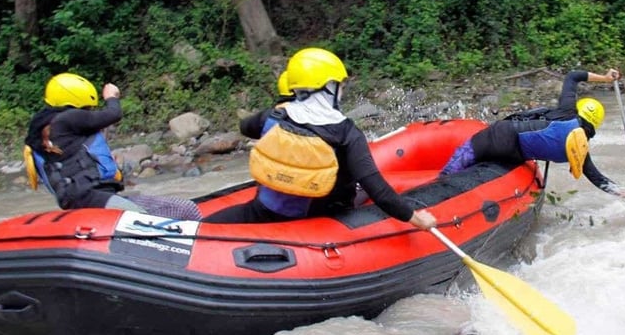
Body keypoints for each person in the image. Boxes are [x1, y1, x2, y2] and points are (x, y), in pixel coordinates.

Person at [203, 47, 438, 230]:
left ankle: (189, 229)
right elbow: (378, 191)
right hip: (317, 217)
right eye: (339, 85)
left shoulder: (274, 116)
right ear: (328, 87)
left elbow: (245, 127)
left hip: (265, 210)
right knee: (361, 188)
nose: (342, 89)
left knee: (213, 225)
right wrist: (416, 218)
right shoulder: (346, 133)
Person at [440, 69, 625, 204]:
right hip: (514, 157)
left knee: (461, 157)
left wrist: (605, 78)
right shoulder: (580, 152)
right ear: (594, 126)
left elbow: (573, 76)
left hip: (499, 136)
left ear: (579, 109)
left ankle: (440, 187)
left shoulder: (567, 111)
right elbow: (599, 180)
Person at [24, 73, 202, 220]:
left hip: (97, 197)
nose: (89, 111)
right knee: (142, 222)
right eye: (87, 108)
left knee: (185, 209)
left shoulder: (45, 127)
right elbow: (113, 114)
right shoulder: (67, 119)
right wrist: (111, 97)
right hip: (91, 199)